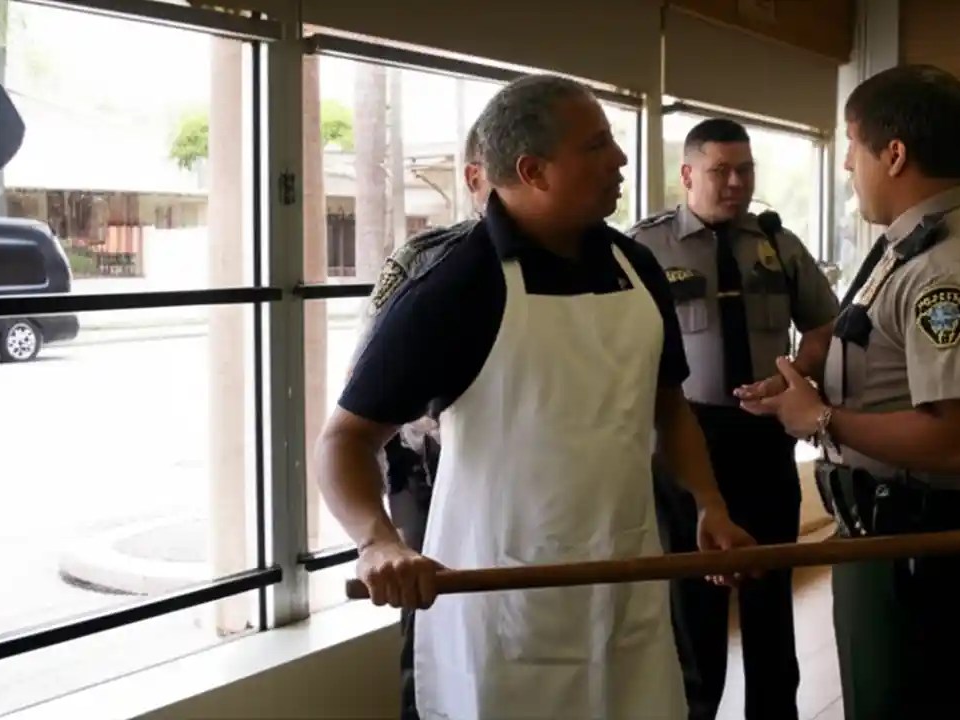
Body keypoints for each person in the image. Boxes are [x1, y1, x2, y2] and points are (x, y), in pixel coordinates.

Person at [314, 72, 754, 720]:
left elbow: (667, 407)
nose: (622, 159)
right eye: (599, 145)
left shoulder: (638, 269)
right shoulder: (457, 287)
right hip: (502, 606)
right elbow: (345, 439)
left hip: (624, 586)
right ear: (534, 170)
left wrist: (709, 504)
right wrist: (377, 540)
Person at [752, 64, 960, 720]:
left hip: (915, 542)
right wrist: (810, 384)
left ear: (895, 154)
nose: (848, 166)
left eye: (851, 147)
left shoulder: (949, 265)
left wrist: (820, 418)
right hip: (886, 530)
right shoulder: (907, 245)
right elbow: (890, 367)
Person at [628, 117, 839, 720]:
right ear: (688, 174)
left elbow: (824, 325)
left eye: (746, 170)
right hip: (686, 437)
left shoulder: (778, 243)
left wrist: (796, 371)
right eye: (722, 171)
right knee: (693, 603)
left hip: (765, 436)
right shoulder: (646, 246)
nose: (737, 183)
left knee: (771, 592)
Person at [346, 125, 490, 720]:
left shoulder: (600, 259)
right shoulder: (431, 259)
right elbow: (369, 381)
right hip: (428, 470)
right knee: (430, 628)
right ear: (476, 179)